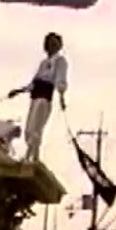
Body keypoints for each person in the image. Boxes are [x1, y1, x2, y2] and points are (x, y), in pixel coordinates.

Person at [9, 32, 68, 163]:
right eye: (49, 43)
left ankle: (31, 157)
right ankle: (32, 156)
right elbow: (33, 83)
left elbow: (60, 79)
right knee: (29, 128)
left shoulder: (59, 61)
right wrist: (18, 91)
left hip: (44, 98)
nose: (51, 46)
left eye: (54, 43)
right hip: (35, 96)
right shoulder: (43, 63)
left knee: (36, 127)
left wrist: (62, 97)